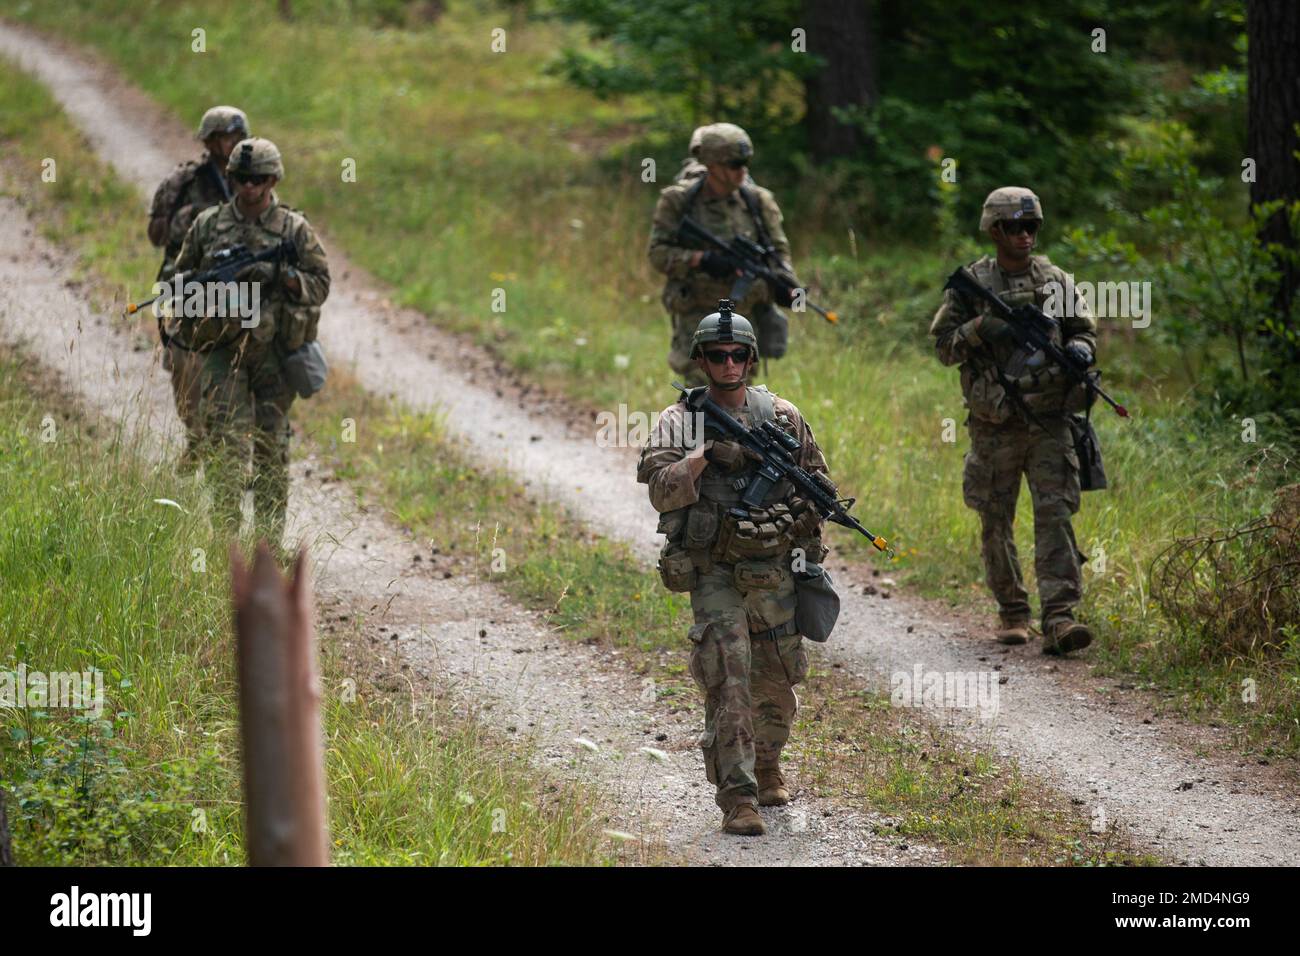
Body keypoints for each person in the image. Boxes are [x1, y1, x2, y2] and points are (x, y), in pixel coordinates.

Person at [637, 300, 828, 835]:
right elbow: (660, 489)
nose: (728, 364)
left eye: (737, 354)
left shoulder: (784, 415)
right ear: (701, 361)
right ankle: (738, 797)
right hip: (714, 568)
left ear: (751, 359)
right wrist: (704, 455)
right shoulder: (680, 421)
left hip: (772, 567)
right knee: (729, 679)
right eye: (717, 355)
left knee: (777, 683)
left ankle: (767, 766)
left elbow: (816, 482)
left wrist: (808, 554)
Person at [929, 187, 1096, 655]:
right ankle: (1013, 611)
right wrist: (983, 328)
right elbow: (943, 346)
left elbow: (1083, 330)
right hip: (995, 423)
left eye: (1032, 227)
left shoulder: (1055, 280)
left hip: (1049, 420)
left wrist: (1082, 350)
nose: (1025, 236)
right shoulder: (971, 284)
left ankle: (1060, 617)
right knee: (994, 520)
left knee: (1056, 517)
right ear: (995, 230)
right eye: (1015, 228)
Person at [172, 137, 330, 551]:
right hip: (223, 353)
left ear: (273, 179)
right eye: (241, 178)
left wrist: (282, 277)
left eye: (258, 179)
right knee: (225, 445)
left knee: (270, 450)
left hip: (274, 356)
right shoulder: (209, 225)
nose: (249, 187)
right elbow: (179, 277)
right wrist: (206, 292)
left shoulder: (294, 229)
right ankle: (227, 545)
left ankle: (267, 547)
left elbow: (320, 284)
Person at [648, 123, 800, 386]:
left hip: (745, 317)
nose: (743, 170)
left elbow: (779, 253)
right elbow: (658, 254)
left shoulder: (758, 202)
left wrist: (784, 281)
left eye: (746, 163)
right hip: (699, 312)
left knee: (739, 396)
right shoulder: (679, 202)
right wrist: (701, 260)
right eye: (734, 164)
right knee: (701, 393)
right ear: (712, 165)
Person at [148, 106, 251, 472]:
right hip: (188, 282)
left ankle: (240, 453)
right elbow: (156, 236)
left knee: (248, 363)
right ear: (208, 142)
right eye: (221, 138)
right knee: (183, 363)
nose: (228, 145)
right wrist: (184, 222)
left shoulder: (252, 180)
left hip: (239, 287)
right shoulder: (184, 183)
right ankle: (196, 435)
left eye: (235, 137)